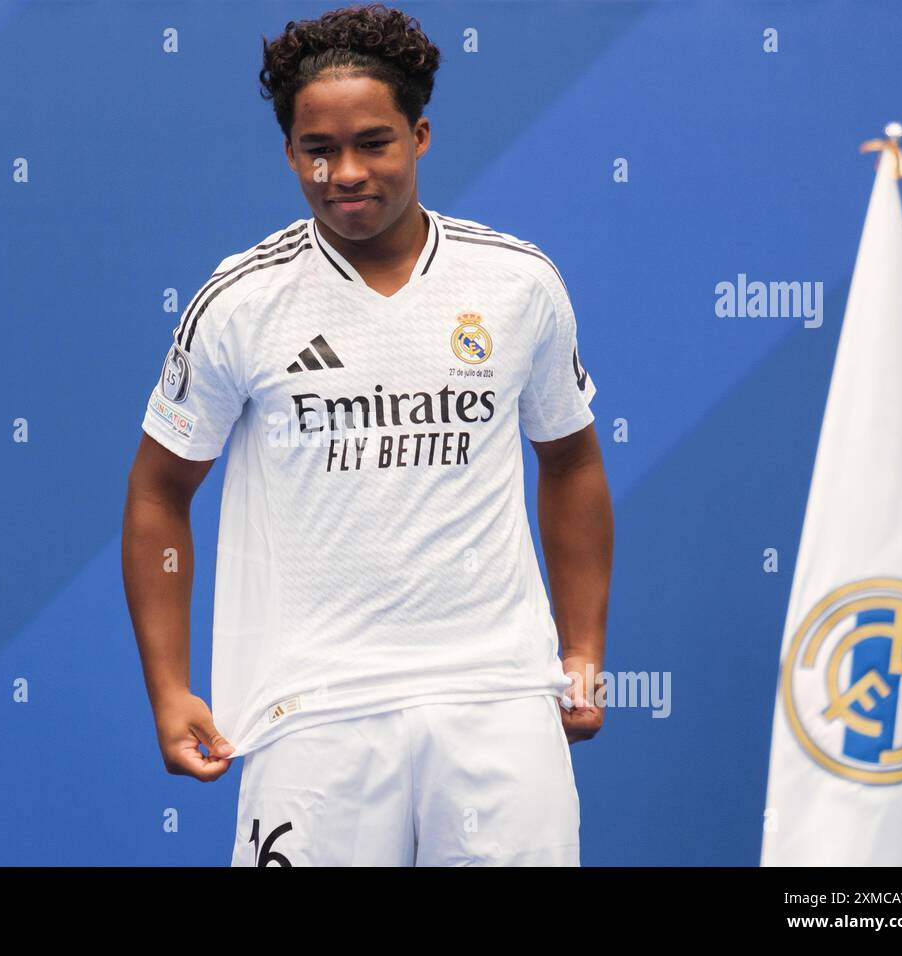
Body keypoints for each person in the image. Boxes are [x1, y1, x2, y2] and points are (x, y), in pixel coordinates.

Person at [121, 2, 612, 866]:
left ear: (420, 136)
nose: (344, 172)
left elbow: (569, 460)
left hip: (496, 700)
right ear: (289, 152)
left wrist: (580, 652)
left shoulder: (517, 283)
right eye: (318, 149)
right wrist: (169, 689)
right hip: (312, 711)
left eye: (373, 142)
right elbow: (159, 494)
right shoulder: (240, 301)